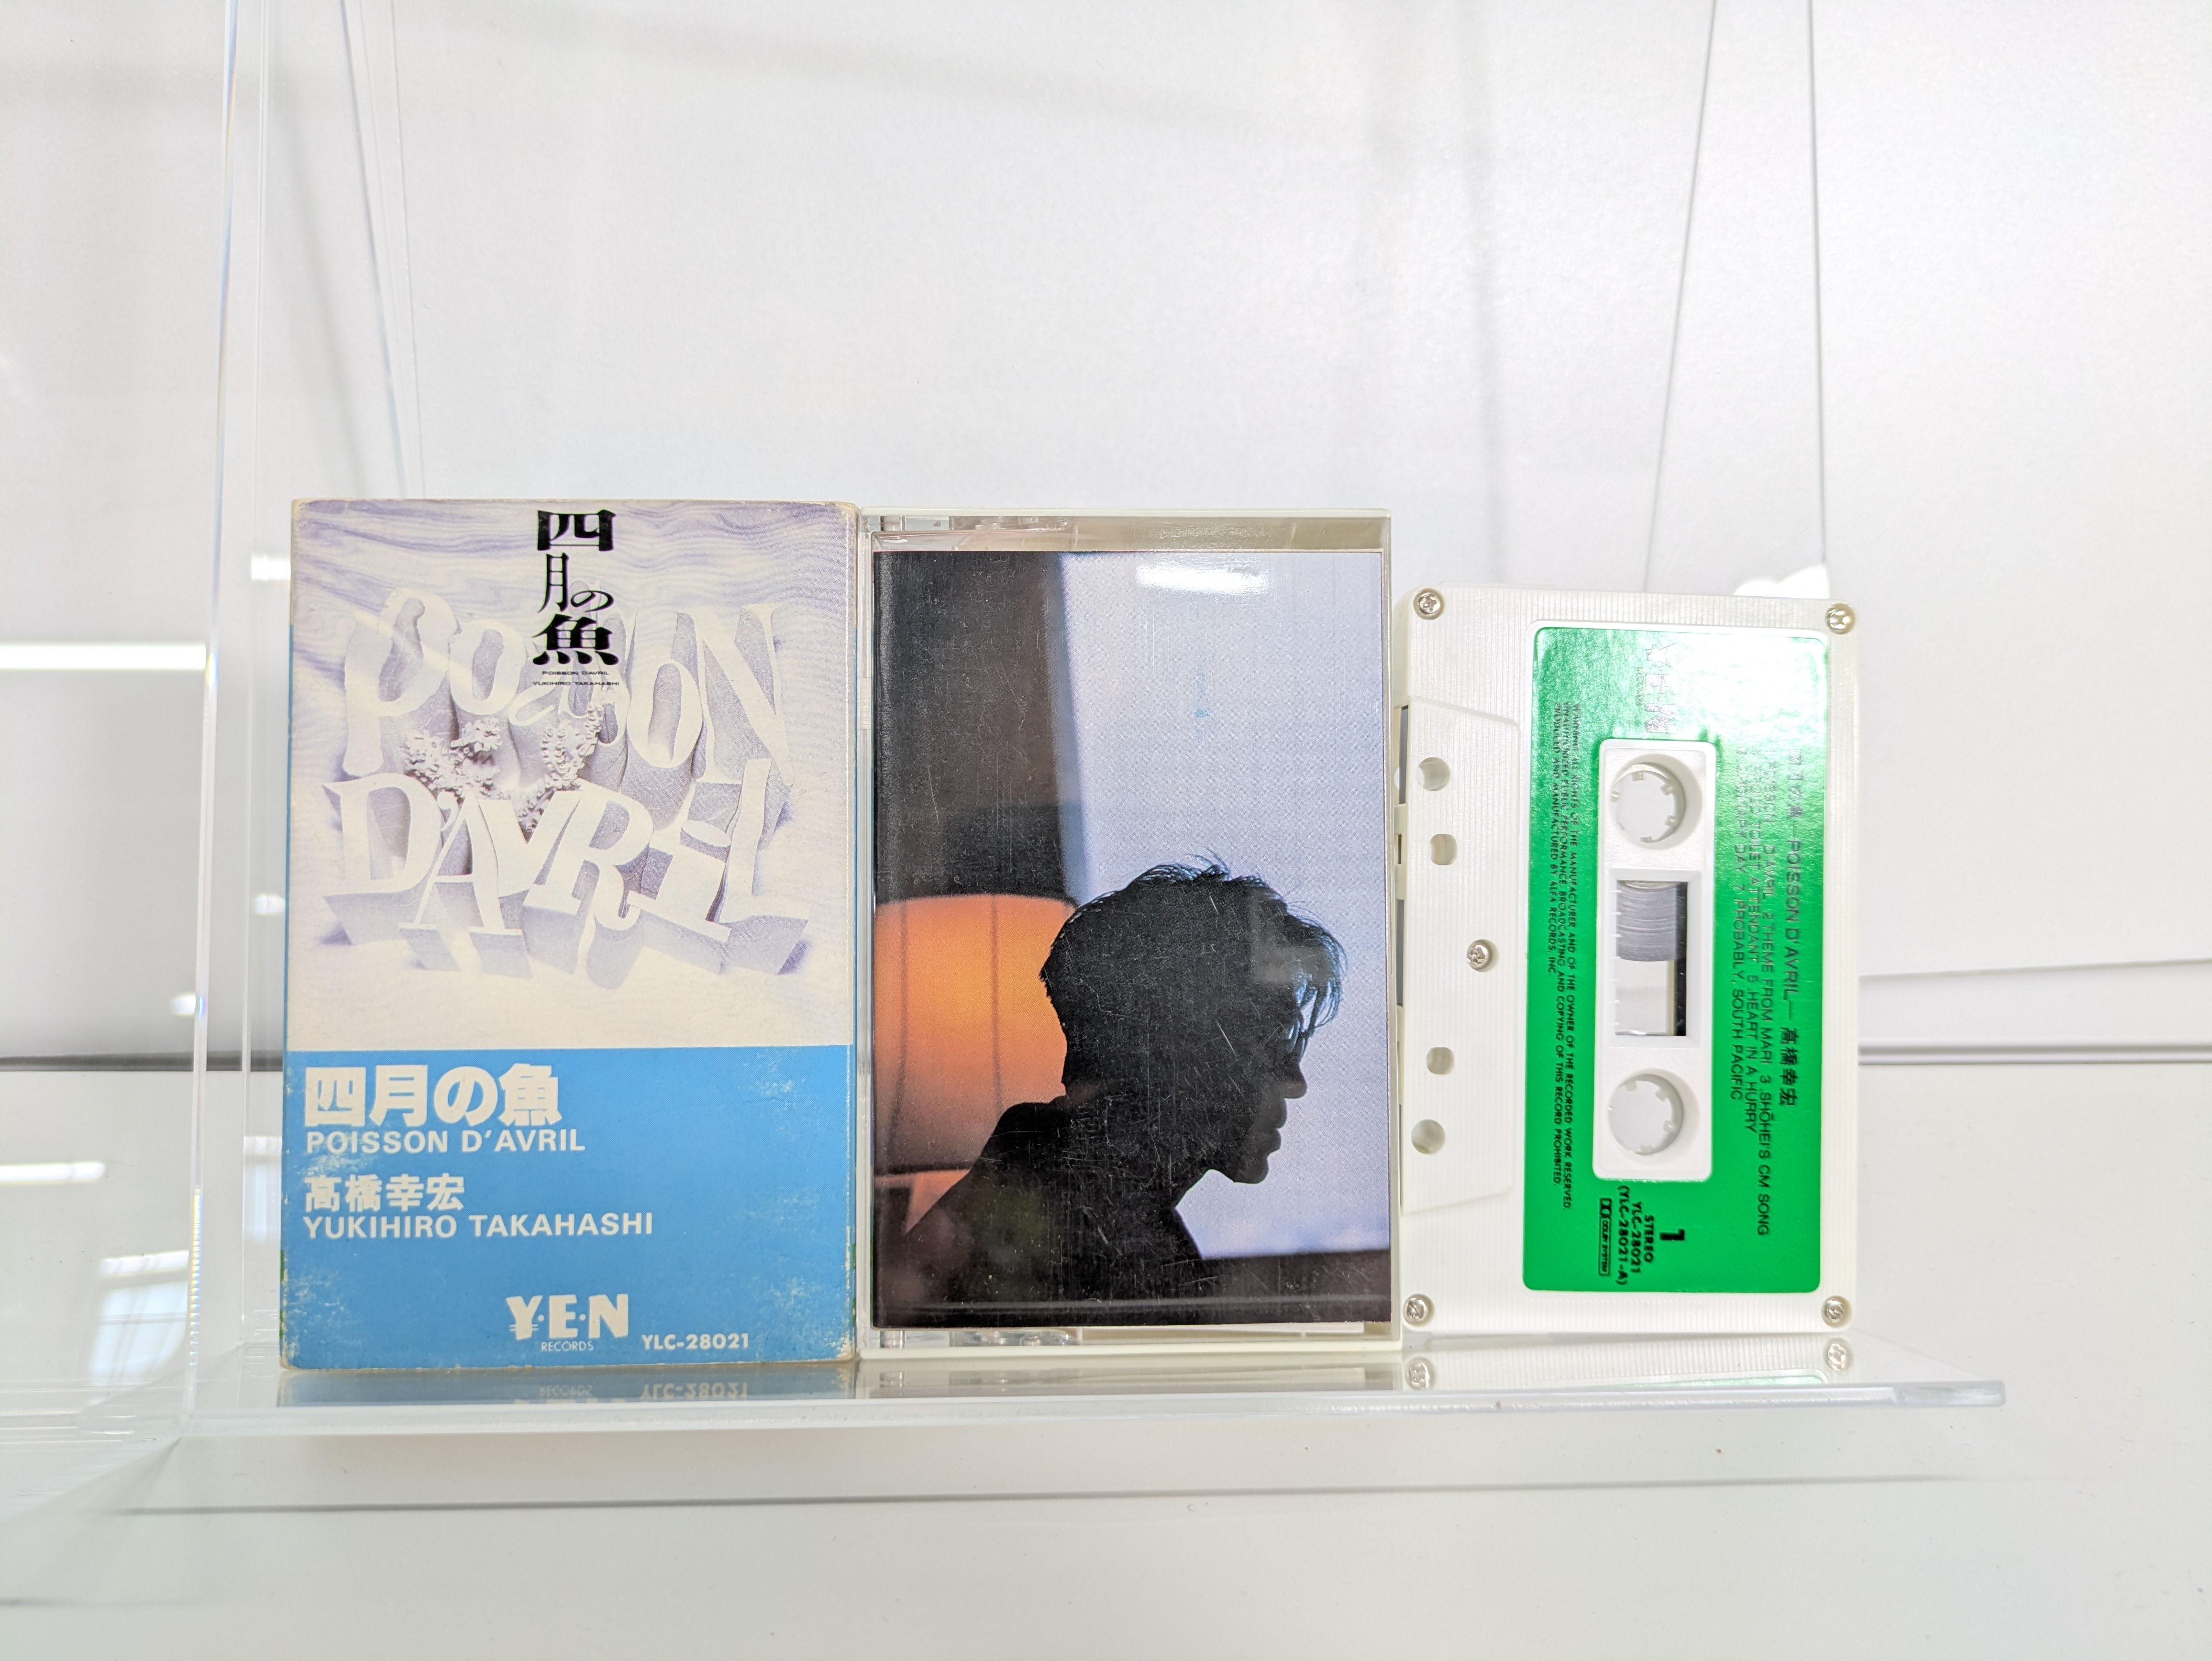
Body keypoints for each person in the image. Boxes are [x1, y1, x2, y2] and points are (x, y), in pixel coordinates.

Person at [881, 862, 1344, 1322]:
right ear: (1185, 1051)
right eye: (1270, 1043)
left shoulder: (1044, 1181)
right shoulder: (1116, 1247)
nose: (1295, 1082)